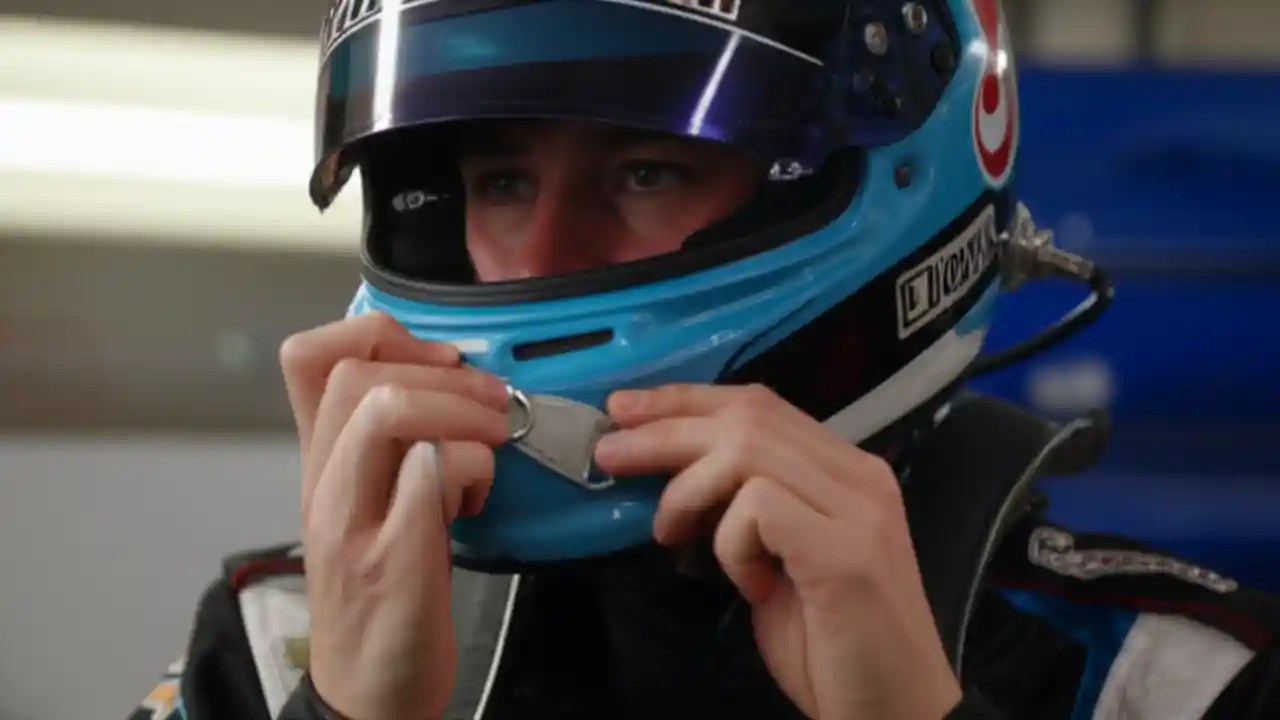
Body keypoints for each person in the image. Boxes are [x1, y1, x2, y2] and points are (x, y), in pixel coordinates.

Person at [130, 0, 1280, 718]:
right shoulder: (281, 642)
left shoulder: (1166, 679)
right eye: (499, 182)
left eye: (645, 173)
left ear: (896, 183)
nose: (538, 259)